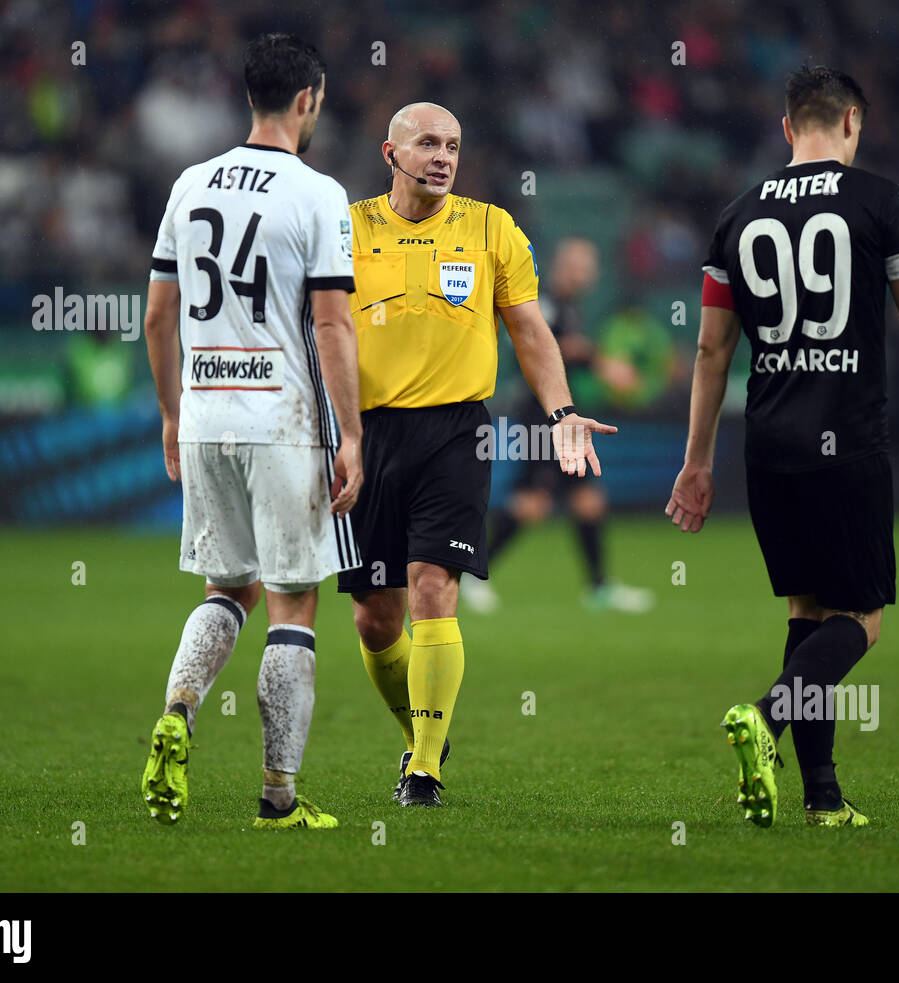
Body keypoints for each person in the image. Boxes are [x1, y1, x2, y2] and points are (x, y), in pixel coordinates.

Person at [666, 66, 899, 828]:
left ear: (787, 126)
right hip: (849, 441)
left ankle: (822, 796)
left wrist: (696, 463)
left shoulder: (736, 215)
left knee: (808, 608)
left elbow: (710, 353)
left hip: (767, 442)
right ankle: (767, 717)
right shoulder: (879, 199)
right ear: (854, 123)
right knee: (859, 618)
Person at [340, 102, 615, 807]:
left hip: (455, 432)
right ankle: (422, 726)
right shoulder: (346, 228)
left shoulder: (493, 228)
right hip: (365, 435)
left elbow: (529, 330)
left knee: (434, 587)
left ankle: (424, 768)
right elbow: (319, 328)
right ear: (390, 152)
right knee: (375, 614)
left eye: (453, 145)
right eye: (427, 143)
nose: (442, 156)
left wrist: (560, 412)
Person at [140, 33, 362, 830]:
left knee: (223, 586)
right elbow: (333, 326)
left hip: (204, 414)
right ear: (310, 99)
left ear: (249, 97)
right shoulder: (317, 193)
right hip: (283, 418)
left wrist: (171, 412)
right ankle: (278, 797)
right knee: (291, 605)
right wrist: (353, 434)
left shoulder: (189, 185)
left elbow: (158, 315)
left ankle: (178, 709)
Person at [465, 236, 653, 615]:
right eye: (582, 265)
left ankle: (599, 587)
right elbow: (552, 347)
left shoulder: (570, 306)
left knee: (587, 501)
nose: (590, 273)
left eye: (591, 266)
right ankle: (473, 573)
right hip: (541, 418)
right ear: (564, 266)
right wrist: (606, 364)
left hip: (560, 418)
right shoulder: (544, 299)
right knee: (532, 503)